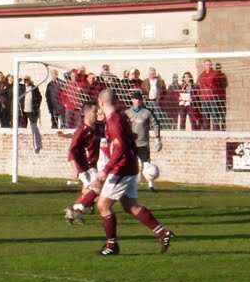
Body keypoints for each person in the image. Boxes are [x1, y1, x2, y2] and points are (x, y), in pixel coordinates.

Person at [86, 88, 174, 257]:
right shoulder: (120, 117)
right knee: (130, 205)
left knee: (103, 205)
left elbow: (119, 149)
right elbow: (129, 141)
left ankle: (111, 246)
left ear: (102, 102)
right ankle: (162, 232)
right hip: (128, 166)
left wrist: (105, 170)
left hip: (122, 168)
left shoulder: (115, 121)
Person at [64, 104, 101, 222]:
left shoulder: (96, 128)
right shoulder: (81, 131)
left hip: (92, 165)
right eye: (95, 112)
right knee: (98, 189)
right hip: (85, 166)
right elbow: (72, 151)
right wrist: (74, 169)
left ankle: (74, 210)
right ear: (87, 113)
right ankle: (77, 210)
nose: (97, 114)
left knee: (92, 191)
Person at [124, 88, 158, 191]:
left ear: (141, 100)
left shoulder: (147, 112)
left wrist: (157, 139)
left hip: (143, 143)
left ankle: (151, 185)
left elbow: (155, 124)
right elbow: (122, 126)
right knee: (129, 164)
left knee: (147, 164)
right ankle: (128, 184)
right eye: (135, 99)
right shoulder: (127, 113)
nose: (137, 101)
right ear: (132, 100)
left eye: (139, 99)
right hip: (130, 144)